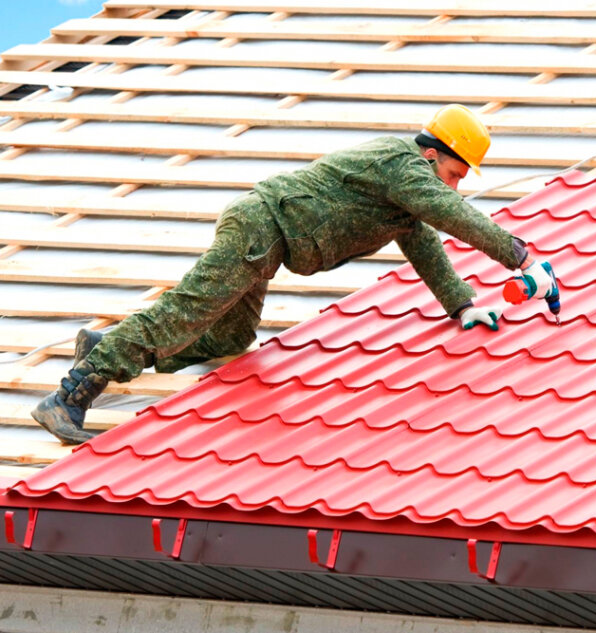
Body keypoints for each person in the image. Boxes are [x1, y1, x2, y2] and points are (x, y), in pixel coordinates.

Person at [32, 104, 558, 445]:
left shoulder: (406, 193)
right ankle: (72, 394)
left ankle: (103, 344)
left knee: (233, 336)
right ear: (431, 155)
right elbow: (452, 216)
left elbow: (425, 243)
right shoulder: (404, 166)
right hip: (261, 226)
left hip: (272, 236)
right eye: (453, 175)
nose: (454, 189)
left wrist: (463, 305)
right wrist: (522, 258)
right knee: (185, 313)